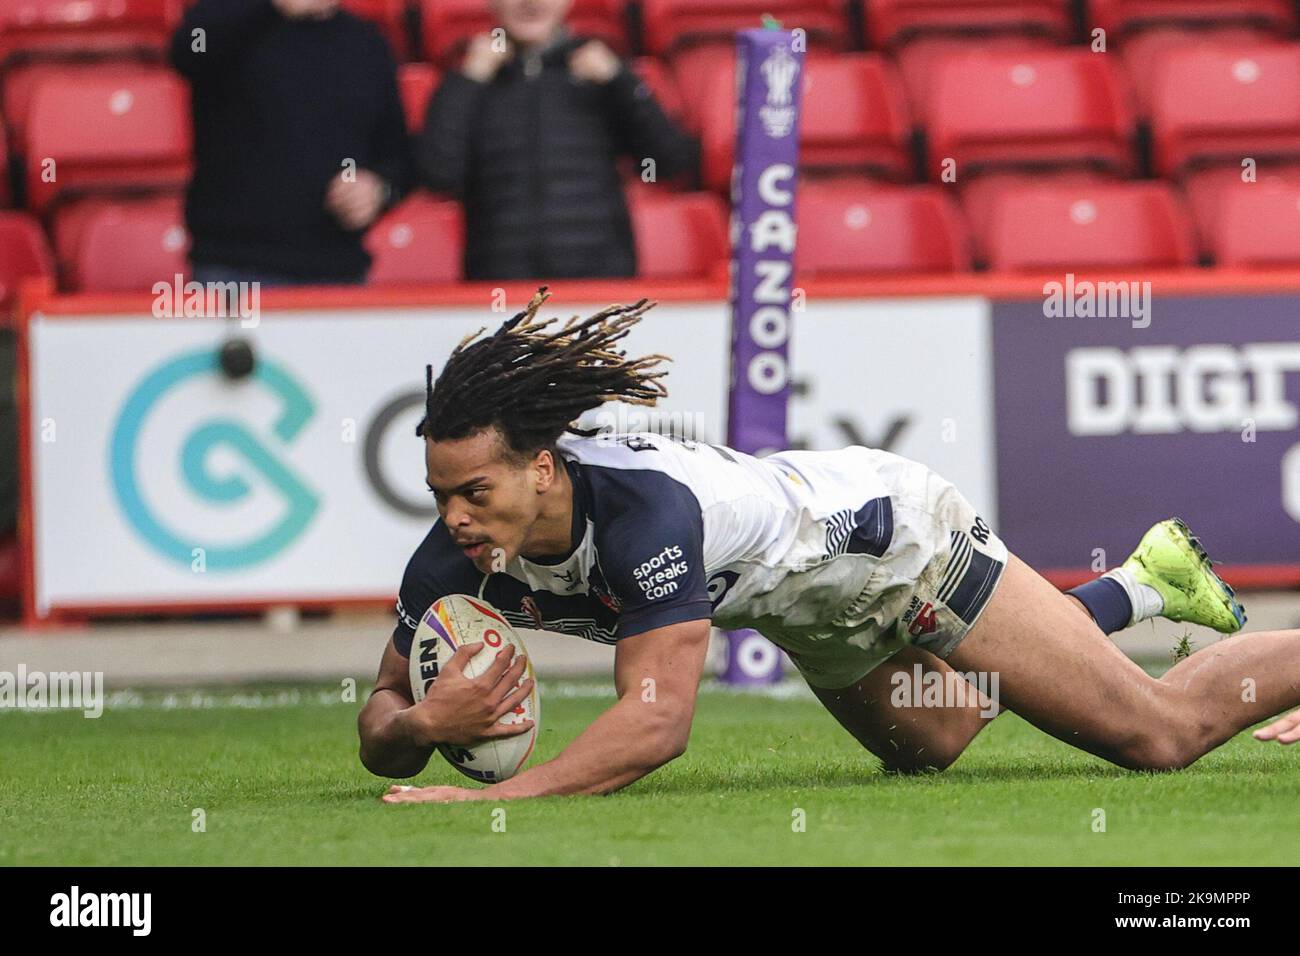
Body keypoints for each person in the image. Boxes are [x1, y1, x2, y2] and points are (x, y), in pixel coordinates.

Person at [360, 289, 1299, 804]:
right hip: (804, 608)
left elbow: (656, 724)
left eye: (474, 492)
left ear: (543, 468)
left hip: (897, 548)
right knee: (939, 740)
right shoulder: (454, 558)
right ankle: (1138, 585)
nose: (454, 517)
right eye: (440, 494)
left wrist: (497, 801)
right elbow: (382, 714)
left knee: (1156, 737)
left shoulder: (644, 519)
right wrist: (419, 728)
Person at [417, 0, 699, 280]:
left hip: (599, 285)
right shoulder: (469, 80)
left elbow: (667, 163)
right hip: (502, 288)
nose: (531, 3)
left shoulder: (604, 76)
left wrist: (620, 81)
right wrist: (469, 80)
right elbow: (439, 175)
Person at [170, 0, 412, 286]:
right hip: (233, 267)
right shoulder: (228, 18)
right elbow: (189, 49)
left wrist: (378, 189)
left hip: (338, 270)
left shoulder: (369, 44)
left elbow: (398, 156)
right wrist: (271, 7)